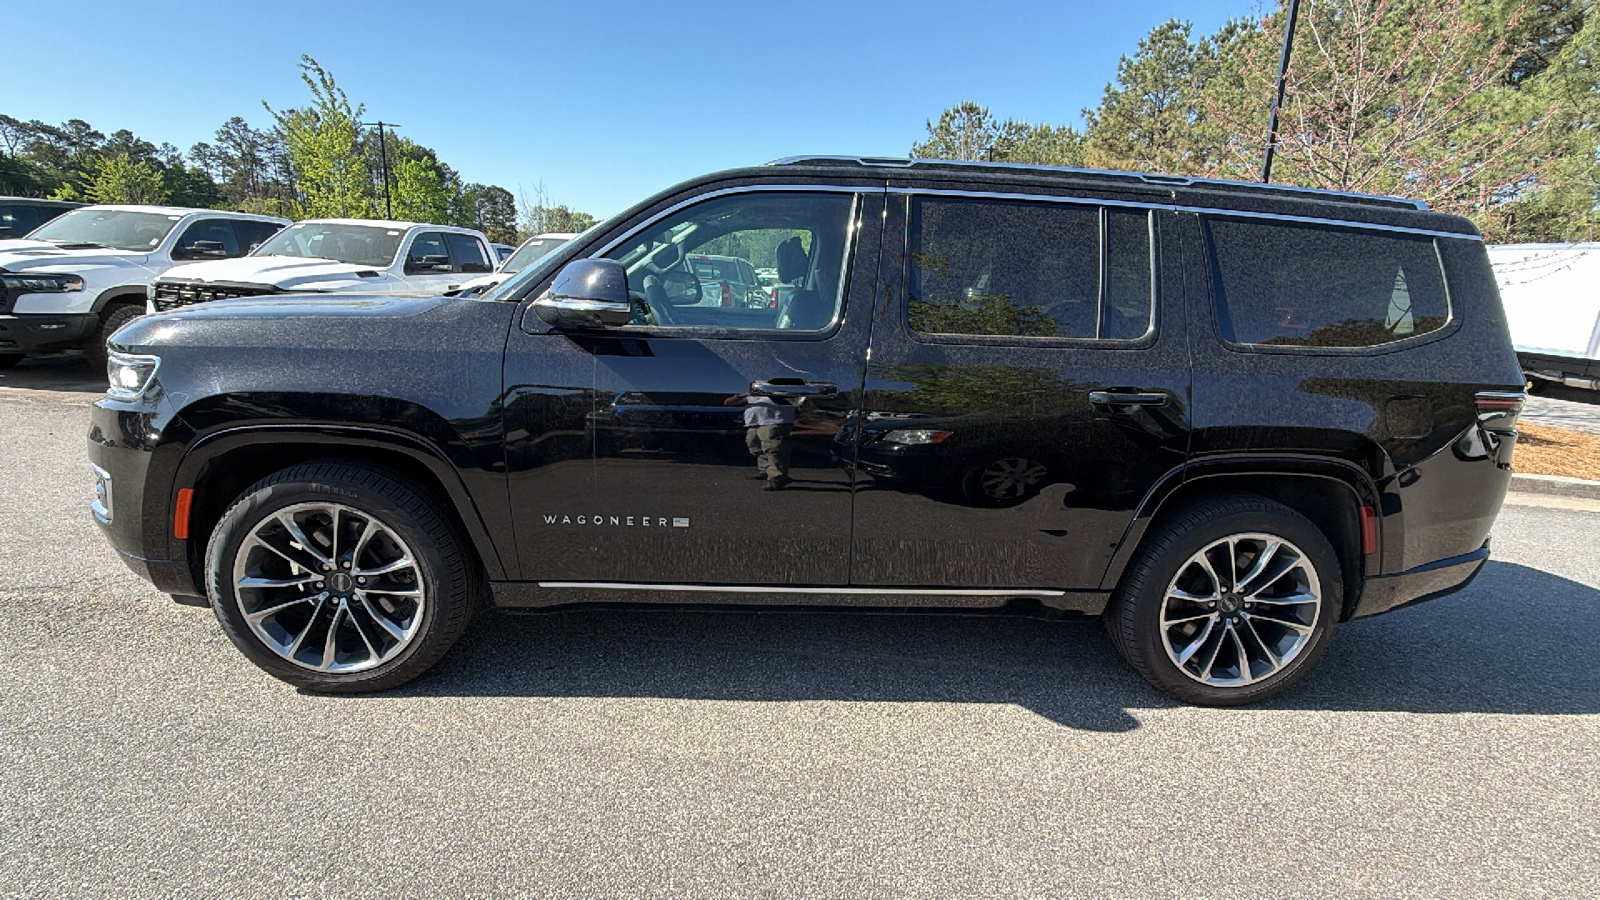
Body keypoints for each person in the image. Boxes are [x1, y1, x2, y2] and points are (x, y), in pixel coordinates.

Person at [724, 390, 796, 490]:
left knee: (773, 447)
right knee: (754, 445)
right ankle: (765, 469)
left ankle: (777, 476)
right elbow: (728, 402)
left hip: (774, 420)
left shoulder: (777, 389)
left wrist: (769, 391)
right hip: (755, 422)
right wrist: (745, 394)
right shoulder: (753, 393)